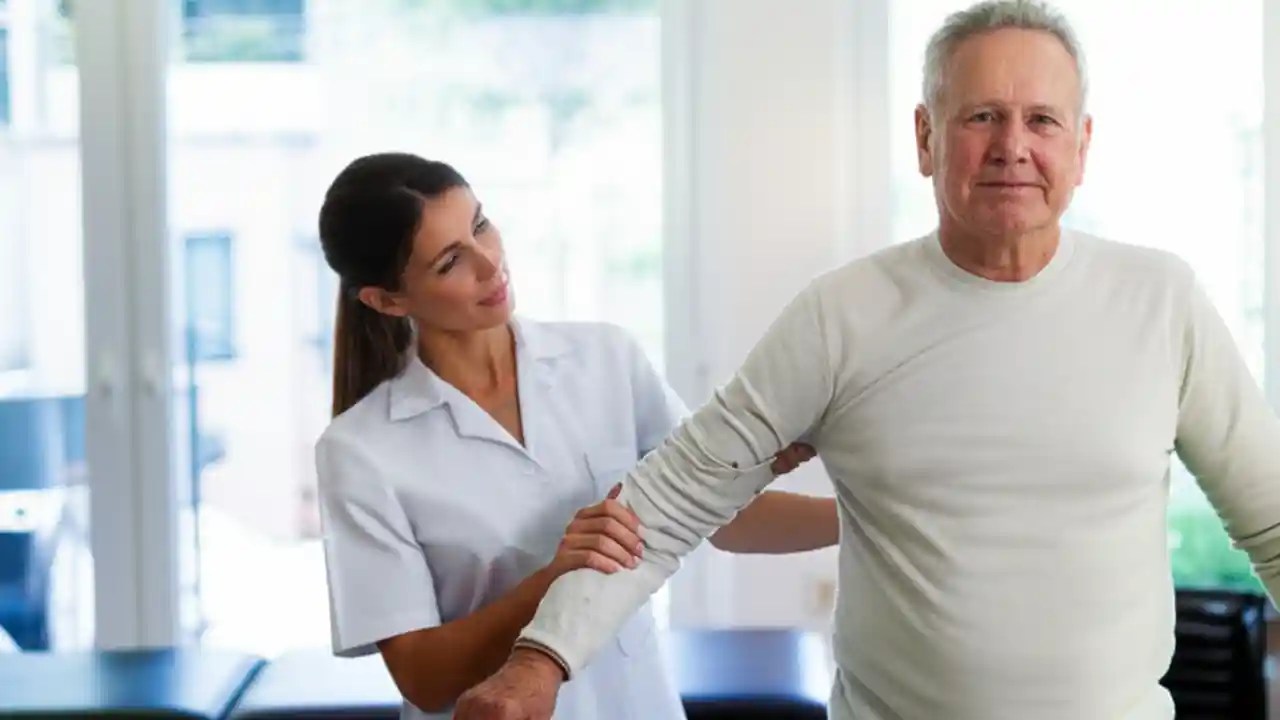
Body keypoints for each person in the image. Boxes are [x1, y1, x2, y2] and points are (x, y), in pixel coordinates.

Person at [453, 1, 1280, 719]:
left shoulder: (1161, 300)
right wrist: (539, 661)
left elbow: (1270, 519)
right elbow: (671, 502)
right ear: (926, 137)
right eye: (981, 116)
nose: (1012, 146)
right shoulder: (841, 316)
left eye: (1043, 120)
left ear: (1083, 146)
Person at [312, 152, 839, 720]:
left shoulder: (605, 358)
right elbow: (424, 677)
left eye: (481, 224)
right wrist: (554, 576)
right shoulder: (359, 452)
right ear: (388, 300)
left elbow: (728, 519)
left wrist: (886, 516)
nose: (490, 264)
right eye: (449, 263)